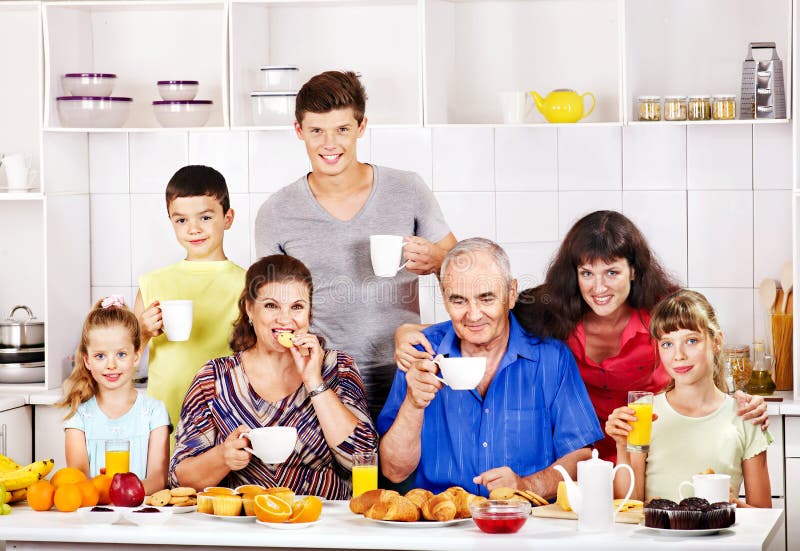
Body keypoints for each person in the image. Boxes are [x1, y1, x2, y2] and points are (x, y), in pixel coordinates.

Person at [396, 210, 768, 462]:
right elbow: (478, 319)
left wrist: (735, 403)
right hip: (580, 469)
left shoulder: (664, 316)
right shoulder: (549, 309)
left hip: (657, 457)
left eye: (611, 273)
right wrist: (407, 332)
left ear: (634, 271)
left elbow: (702, 362)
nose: (598, 287)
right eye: (587, 272)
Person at [254, 70, 456, 419]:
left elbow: (464, 271)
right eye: (317, 131)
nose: (329, 144)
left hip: (405, 375)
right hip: (321, 380)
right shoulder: (276, 212)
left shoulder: (407, 189)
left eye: (342, 129)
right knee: (336, 476)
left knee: (402, 473)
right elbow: (271, 309)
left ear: (361, 127)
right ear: (299, 131)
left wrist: (439, 259)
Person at [377, 238, 603, 497]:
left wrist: (525, 486)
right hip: (440, 522)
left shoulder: (551, 357)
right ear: (444, 298)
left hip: (526, 521)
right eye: (459, 301)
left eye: (486, 299)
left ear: (511, 294)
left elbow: (582, 458)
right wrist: (413, 405)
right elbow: (394, 471)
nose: (473, 315)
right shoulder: (420, 353)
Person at [169, 255, 377, 499]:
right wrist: (222, 457)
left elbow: (363, 459)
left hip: (324, 525)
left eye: (297, 307)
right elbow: (179, 479)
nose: (285, 319)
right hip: (244, 525)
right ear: (249, 308)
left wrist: (314, 382)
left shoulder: (337, 367)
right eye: (271, 306)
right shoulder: (213, 378)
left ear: (309, 313)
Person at [606, 290, 771, 506]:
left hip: (718, 539)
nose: (679, 355)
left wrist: (732, 505)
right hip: (654, 539)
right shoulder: (644, 412)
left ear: (717, 341)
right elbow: (628, 505)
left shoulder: (745, 415)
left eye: (691, 340)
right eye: (667, 344)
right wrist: (621, 446)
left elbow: (762, 516)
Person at [134, 165, 245, 433]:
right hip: (165, 418)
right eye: (181, 220)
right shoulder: (152, 283)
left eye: (205, 218)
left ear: (227, 218)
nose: (193, 229)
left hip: (227, 416)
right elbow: (125, 359)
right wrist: (143, 332)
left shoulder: (249, 284)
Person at [58, 296, 170, 494]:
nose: (111, 365)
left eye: (121, 354)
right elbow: (79, 476)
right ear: (87, 360)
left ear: (136, 355)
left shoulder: (154, 412)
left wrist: (124, 495)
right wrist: (111, 497)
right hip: (95, 517)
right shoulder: (79, 416)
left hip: (143, 517)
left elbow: (157, 479)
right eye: (100, 356)